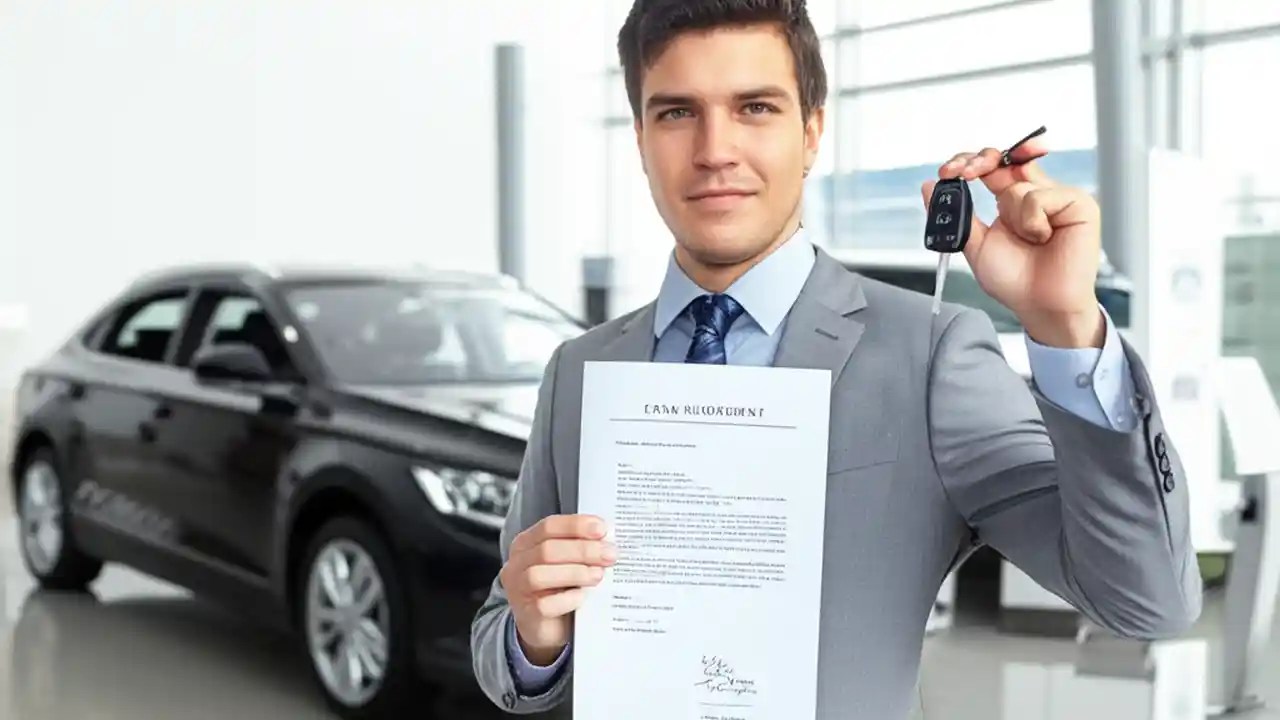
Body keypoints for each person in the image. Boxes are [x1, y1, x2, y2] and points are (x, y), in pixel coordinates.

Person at [470, 0, 1203, 717]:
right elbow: (503, 639)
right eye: (677, 112)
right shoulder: (580, 369)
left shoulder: (927, 357)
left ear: (813, 131)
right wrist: (535, 640)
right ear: (639, 136)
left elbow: (1146, 601)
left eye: (755, 107)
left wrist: (1065, 325)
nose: (715, 149)